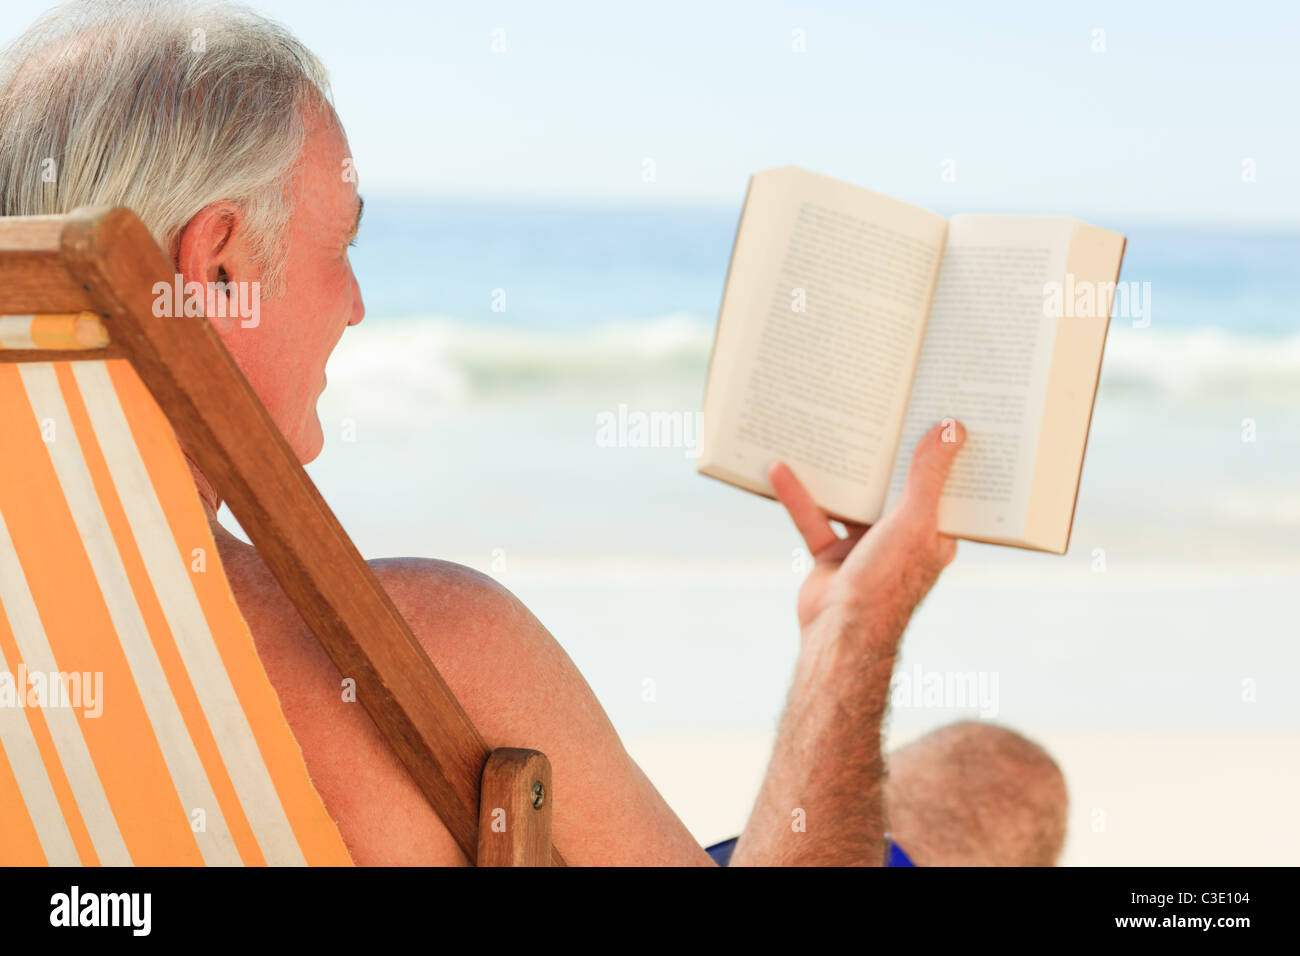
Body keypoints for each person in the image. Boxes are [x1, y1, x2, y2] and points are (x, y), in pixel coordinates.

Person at [0, 0, 1067, 865]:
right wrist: (854, 629)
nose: (356, 303)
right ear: (220, 265)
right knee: (1005, 778)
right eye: (341, 246)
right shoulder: (419, 648)